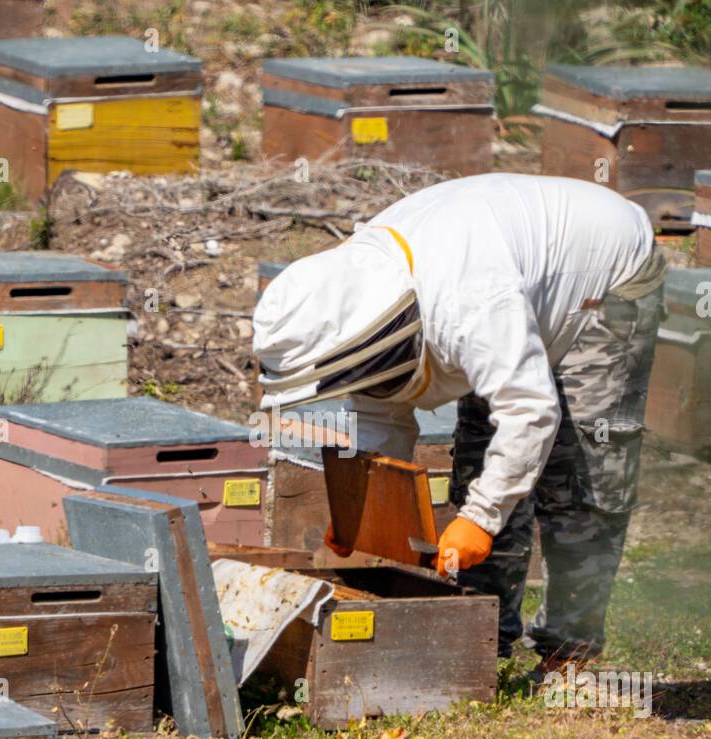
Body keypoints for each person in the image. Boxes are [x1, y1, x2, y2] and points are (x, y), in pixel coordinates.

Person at [252, 173, 665, 678]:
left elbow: (530, 410)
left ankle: (569, 658)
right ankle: (480, 646)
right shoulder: (359, 298)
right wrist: (364, 504)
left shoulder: (469, 301)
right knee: (480, 463)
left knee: (580, 473)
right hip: (513, 273)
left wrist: (485, 515)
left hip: (603, 273)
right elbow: (380, 410)